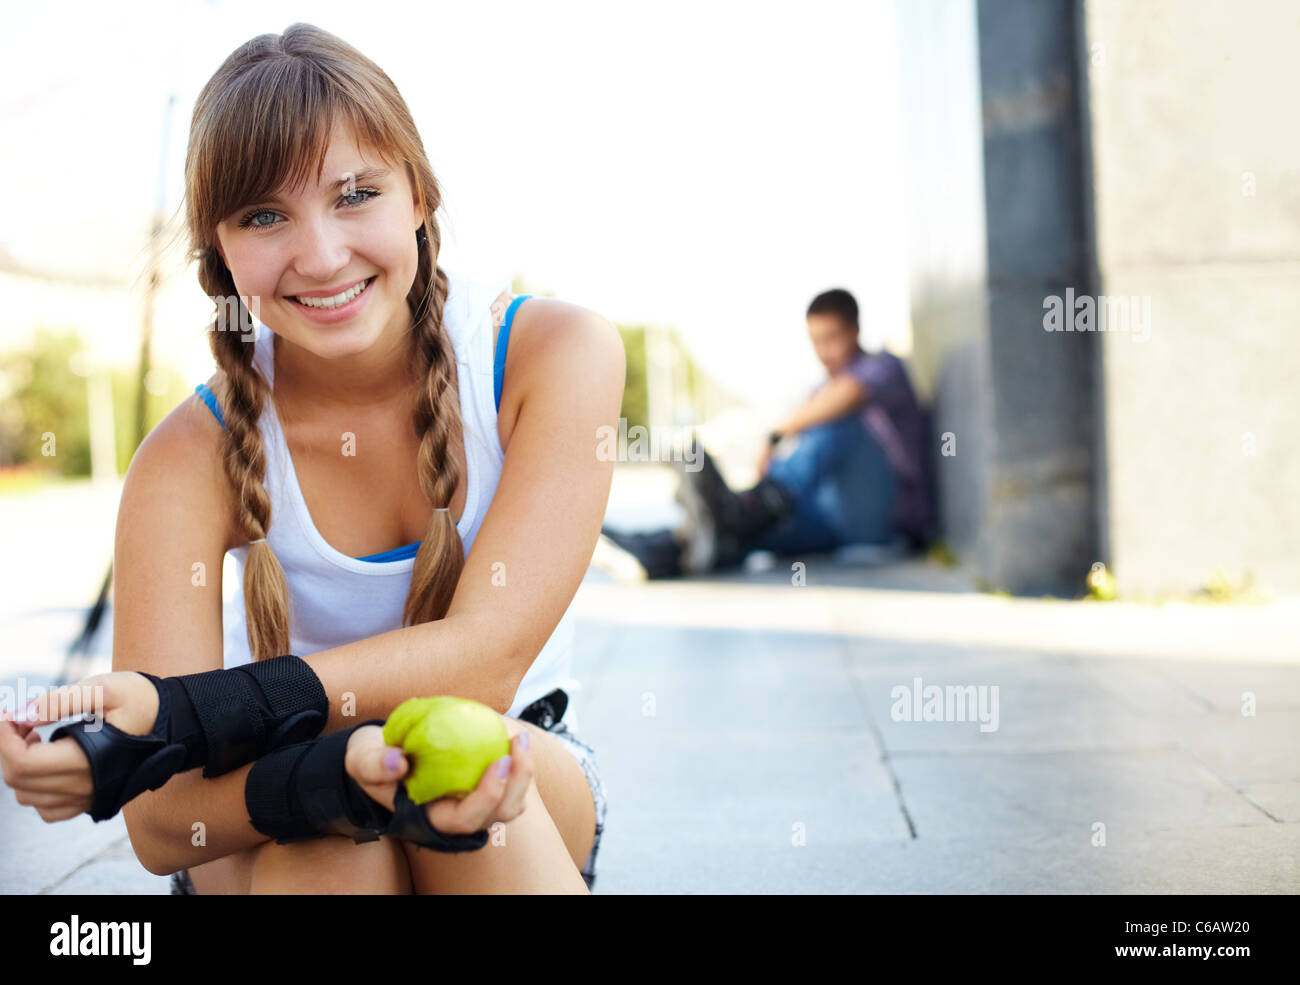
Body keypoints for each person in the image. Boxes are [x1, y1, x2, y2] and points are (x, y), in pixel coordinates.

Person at [0, 23, 623, 894]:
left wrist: (178, 712)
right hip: (270, 804)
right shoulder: (186, 457)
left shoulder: (551, 353)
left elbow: (483, 663)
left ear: (420, 194)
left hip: (516, 754)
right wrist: (338, 779)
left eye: (357, 194)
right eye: (264, 215)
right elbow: (161, 822)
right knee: (329, 857)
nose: (322, 255)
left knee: (479, 810)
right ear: (218, 249)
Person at [601, 288, 933, 577]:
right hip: (834, 522)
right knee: (739, 535)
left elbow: (847, 396)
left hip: (888, 520)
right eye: (817, 341)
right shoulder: (821, 390)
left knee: (837, 419)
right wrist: (771, 468)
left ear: (856, 331)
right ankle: (652, 550)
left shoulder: (884, 368)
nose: (825, 351)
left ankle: (747, 508)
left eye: (833, 338)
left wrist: (775, 435)